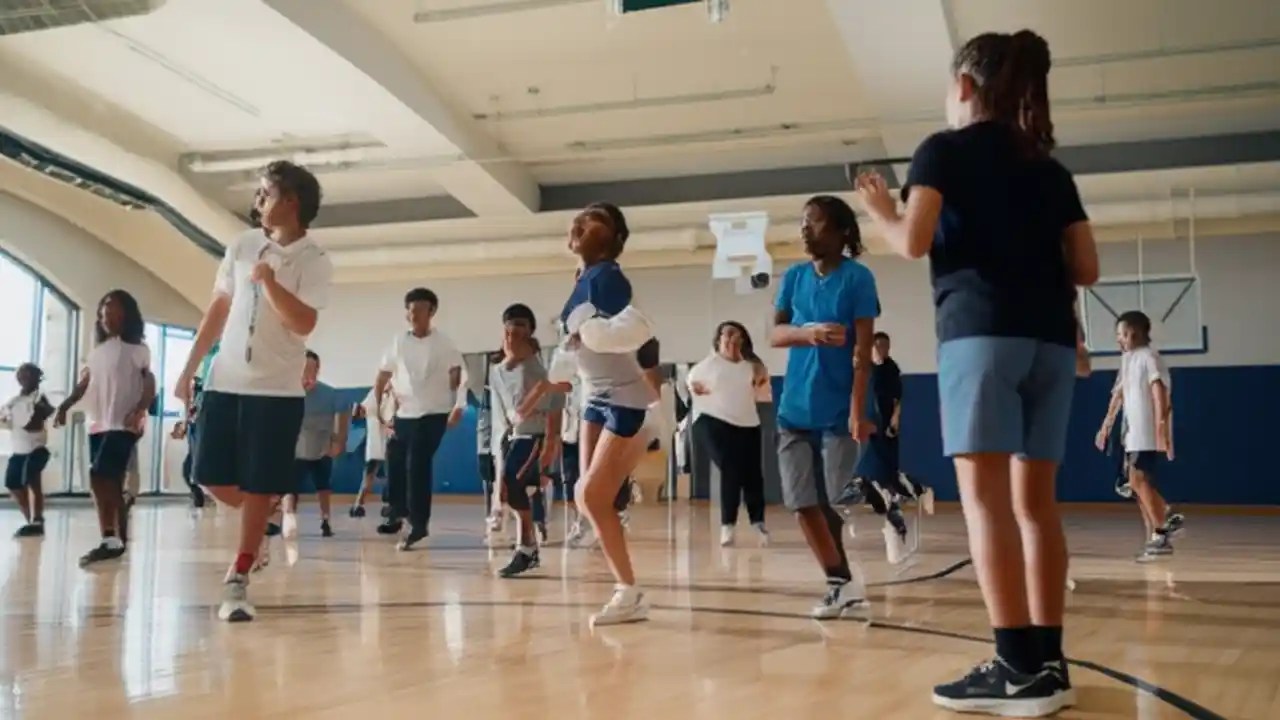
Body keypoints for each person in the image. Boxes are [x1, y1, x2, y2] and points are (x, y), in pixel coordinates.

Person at [856, 29, 1099, 717]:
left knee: (986, 505)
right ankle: (1048, 661)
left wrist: (880, 210)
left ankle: (1016, 670)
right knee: (1036, 506)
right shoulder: (1048, 169)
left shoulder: (943, 148)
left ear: (963, 86)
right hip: (1049, 344)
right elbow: (1086, 268)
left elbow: (912, 240)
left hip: (980, 336)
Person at [175, 160, 331, 623]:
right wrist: (190, 367)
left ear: (292, 202)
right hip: (225, 380)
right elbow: (218, 307)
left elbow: (304, 323)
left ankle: (238, 577)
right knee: (207, 475)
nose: (258, 202)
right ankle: (257, 521)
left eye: (265, 193)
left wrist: (270, 282)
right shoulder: (242, 245)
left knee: (262, 481)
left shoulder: (314, 261)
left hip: (276, 391)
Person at [530, 201, 657, 625]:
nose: (584, 226)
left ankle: (629, 592)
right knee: (590, 499)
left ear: (613, 240)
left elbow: (617, 331)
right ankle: (620, 489)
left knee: (589, 496)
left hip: (624, 396)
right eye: (580, 222)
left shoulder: (607, 277)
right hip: (594, 396)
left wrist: (586, 328)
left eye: (596, 222)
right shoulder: (583, 279)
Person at [770, 195, 878, 619]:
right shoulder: (794, 277)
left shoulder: (858, 279)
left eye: (813, 223)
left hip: (838, 408)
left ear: (840, 232)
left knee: (835, 497)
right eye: (803, 223)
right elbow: (776, 334)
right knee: (801, 502)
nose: (805, 230)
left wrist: (856, 409)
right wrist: (808, 332)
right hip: (794, 407)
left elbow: (863, 352)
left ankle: (886, 489)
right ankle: (840, 583)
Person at [55, 290, 155, 567]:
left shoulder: (138, 350)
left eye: (112, 310)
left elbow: (149, 382)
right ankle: (113, 537)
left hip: (124, 423)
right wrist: (65, 406)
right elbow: (84, 383)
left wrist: (141, 409)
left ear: (127, 314)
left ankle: (111, 539)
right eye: (102, 312)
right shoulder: (97, 352)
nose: (106, 316)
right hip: (98, 424)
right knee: (108, 480)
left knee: (100, 475)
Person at [374, 287, 465, 550]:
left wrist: (458, 405)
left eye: (420, 310)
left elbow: (458, 375)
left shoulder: (444, 343)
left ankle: (419, 523)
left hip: (434, 413)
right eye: (410, 310)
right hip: (405, 413)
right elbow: (382, 375)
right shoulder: (398, 342)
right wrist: (380, 408)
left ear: (431, 312)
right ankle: (397, 509)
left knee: (417, 462)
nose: (414, 315)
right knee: (395, 455)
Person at [1095, 310, 1182, 561]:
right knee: (1135, 484)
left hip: (1146, 431)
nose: (1118, 340)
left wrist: (1161, 425)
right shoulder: (1127, 360)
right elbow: (1118, 394)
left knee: (1138, 480)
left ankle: (1165, 524)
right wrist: (1106, 425)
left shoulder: (1149, 357)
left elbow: (1159, 392)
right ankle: (1155, 533)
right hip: (1131, 434)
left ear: (1134, 332)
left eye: (1121, 334)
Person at [489, 304, 562, 577]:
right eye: (509, 324)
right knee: (508, 491)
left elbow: (555, 402)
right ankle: (527, 546)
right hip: (513, 436)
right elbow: (504, 409)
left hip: (536, 435)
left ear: (530, 330)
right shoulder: (498, 369)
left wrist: (550, 445)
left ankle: (527, 547)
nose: (514, 329)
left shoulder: (538, 366)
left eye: (520, 324)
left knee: (514, 485)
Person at [849, 331, 934, 564]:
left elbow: (897, 399)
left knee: (886, 479)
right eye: (877, 345)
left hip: (886, 429)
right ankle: (913, 495)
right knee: (869, 478)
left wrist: (895, 421)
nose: (880, 349)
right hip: (870, 427)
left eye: (884, 345)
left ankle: (899, 522)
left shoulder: (891, 369)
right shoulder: (866, 370)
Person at [688, 320, 770, 547]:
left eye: (738, 335)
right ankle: (728, 526)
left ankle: (758, 522)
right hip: (711, 421)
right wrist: (698, 389)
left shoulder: (750, 366)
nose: (733, 339)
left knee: (752, 474)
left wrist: (761, 379)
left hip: (746, 423)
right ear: (719, 339)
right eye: (728, 334)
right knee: (730, 467)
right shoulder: (707, 366)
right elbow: (692, 383)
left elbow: (762, 389)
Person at [284, 350, 349, 537]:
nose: (307, 374)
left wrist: (339, 440)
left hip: (321, 449)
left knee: (323, 486)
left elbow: (343, 412)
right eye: (303, 370)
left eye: (311, 369)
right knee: (289, 488)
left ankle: (326, 521)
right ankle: (289, 520)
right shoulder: (289, 393)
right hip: (295, 450)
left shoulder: (329, 394)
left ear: (317, 370)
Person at [2, 363, 55, 538]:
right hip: (19, 450)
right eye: (21, 375)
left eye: (28, 375)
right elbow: (5, 420)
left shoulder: (39, 397)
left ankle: (37, 519)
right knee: (13, 483)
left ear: (36, 378)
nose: (24, 379)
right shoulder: (14, 401)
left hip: (35, 448)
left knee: (32, 481)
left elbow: (42, 416)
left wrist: (37, 414)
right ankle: (30, 518)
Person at [351, 382, 395, 518]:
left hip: (391, 442)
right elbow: (360, 412)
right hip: (375, 443)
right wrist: (357, 409)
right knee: (369, 475)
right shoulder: (374, 394)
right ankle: (358, 504)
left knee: (392, 476)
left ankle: (389, 505)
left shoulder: (397, 396)